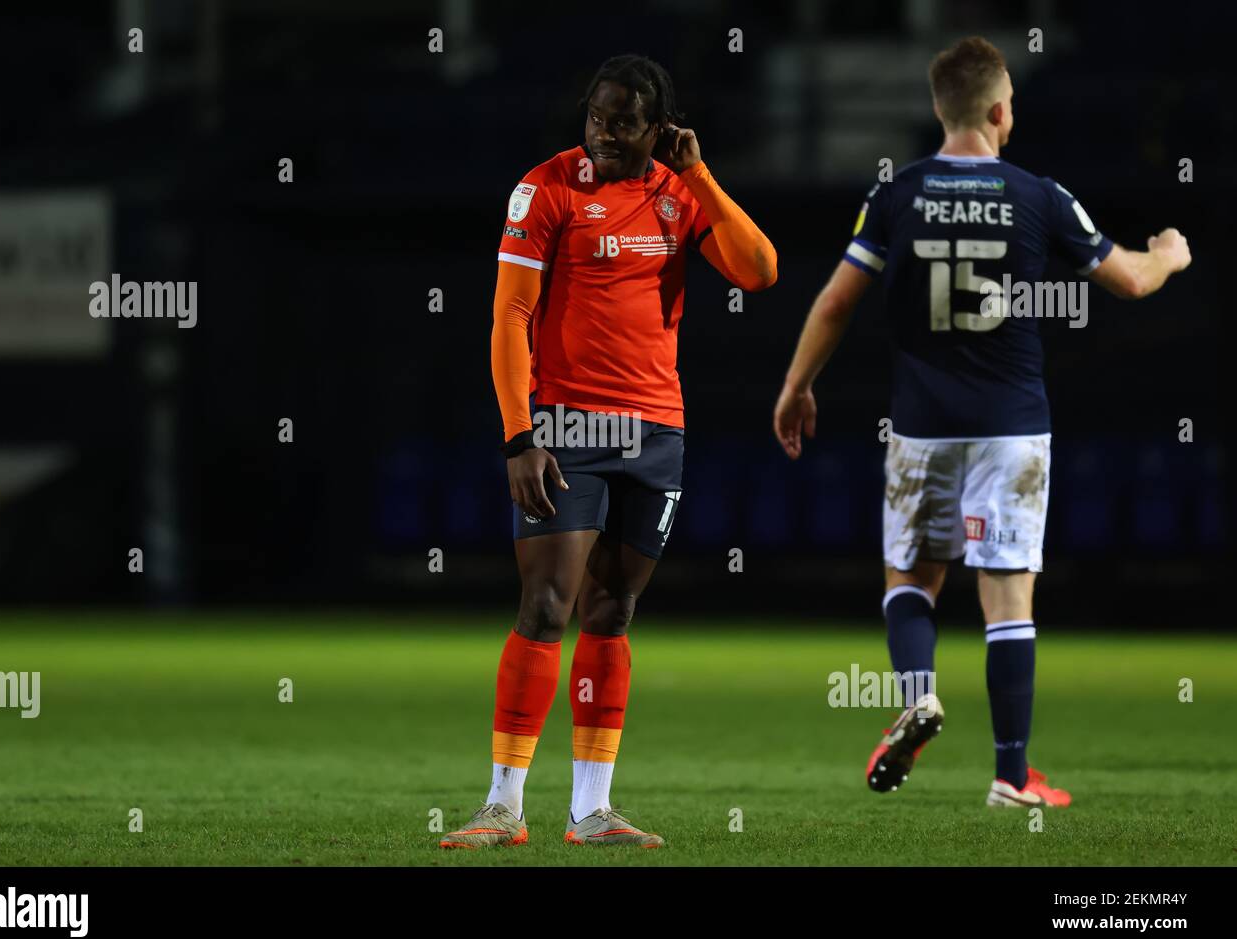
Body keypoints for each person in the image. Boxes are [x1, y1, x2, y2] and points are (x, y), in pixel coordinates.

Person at [772, 36, 1190, 807]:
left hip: (922, 424)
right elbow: (1129, 280)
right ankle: (1010, 773)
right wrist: (1170, 252)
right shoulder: (1039, 195)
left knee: (912, 579)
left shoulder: (896, 194)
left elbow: (835, 300)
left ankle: (918, 696)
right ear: (1000, 110)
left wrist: (797, 385)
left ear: (938, 108)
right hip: (1012, 426)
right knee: (1007, 597)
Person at [440, 54, 777, 849]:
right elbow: (509, 318)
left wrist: (701, 178)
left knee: (612, 610)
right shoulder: (547, 188)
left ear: (659, 128)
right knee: (547, 605)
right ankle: (502, 806)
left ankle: (591, 811)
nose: (604, 134)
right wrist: (519, 436)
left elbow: (759, 271)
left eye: (624, 122)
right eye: (597, 117)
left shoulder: (677, 192)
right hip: (568, 429)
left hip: (657, 430)